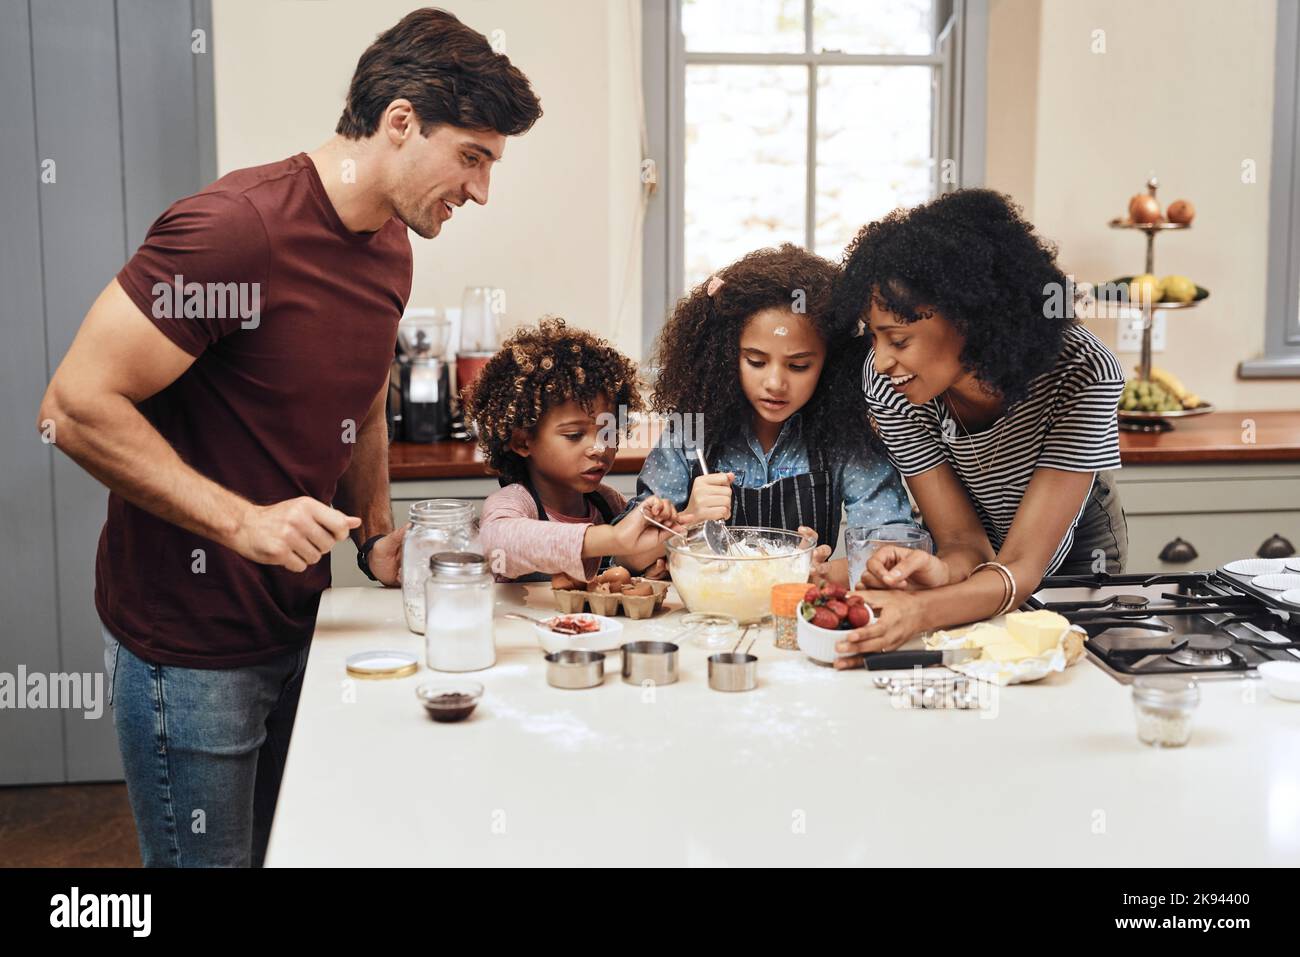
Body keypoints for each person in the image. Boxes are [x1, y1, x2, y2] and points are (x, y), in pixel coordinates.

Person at [37, 9, 541, 865]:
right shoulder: (237, 228)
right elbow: (76, 404)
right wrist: (243, 524)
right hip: (190, 648)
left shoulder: (391, 245)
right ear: (401, 122)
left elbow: (365, 398)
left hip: (299, 626)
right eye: (472, 158)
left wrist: (379, 531)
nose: (481, 190)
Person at [822, 189, 1128, 664]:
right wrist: (937, 572)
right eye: (875, 336)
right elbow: (964, 542)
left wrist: (919, 610)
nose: (881, 360)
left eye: (899, 339)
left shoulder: (1082, 372)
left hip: (1074, 555)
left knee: (1059, 680)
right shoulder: (892, 384)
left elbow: (1023, 563)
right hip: (977, 547)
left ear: (972, 320)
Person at [624, 244, 911, 567]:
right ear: (725, 357)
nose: (775, 383)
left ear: (831, 364)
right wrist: (689, 518)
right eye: (756, 362)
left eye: (799, 366)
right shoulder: (692, 431)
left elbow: (892, 542)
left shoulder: (843, 435)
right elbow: (628, 554)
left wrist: (828, 571)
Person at [468, 319, 682, 584]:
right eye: (574, 435)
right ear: (523, 442)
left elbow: (620, 567)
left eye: (608, 431)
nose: (599, 448)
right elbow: (496, 543)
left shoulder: (607, 502)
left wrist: (644, 564)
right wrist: (613, 538)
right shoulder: (514, 503)